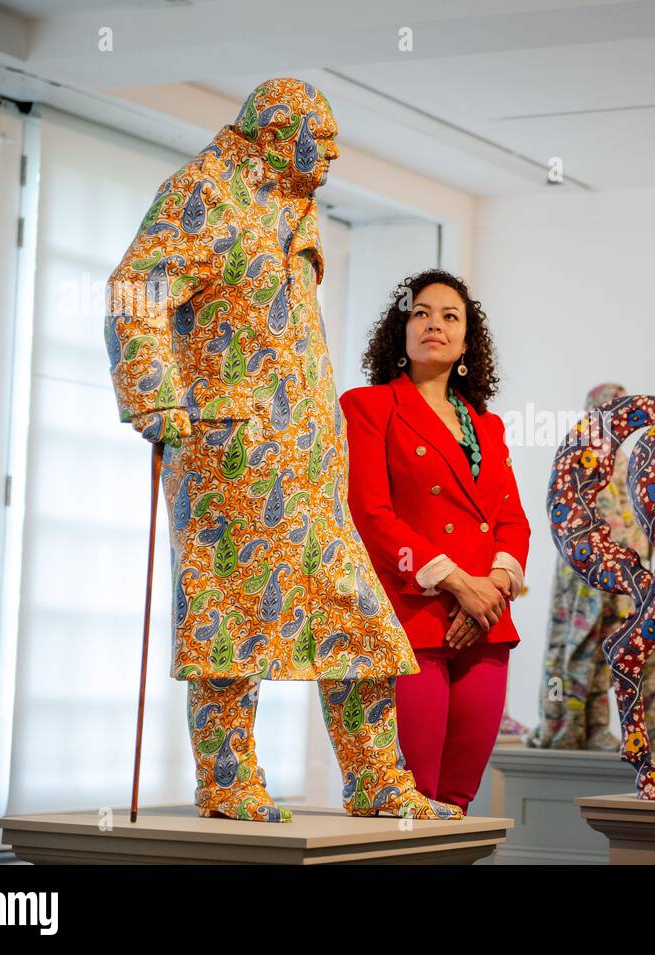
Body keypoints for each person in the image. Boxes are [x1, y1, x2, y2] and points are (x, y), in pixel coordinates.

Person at [105, 77, 460, 822]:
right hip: (229, 453)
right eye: (319, 136)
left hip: (306, 460)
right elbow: (135, 289)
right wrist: (155, 395)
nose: (331, 151)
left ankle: (375, 780)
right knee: (229, 623)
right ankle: (228, 781)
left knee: (360, 616)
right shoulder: (200, 194)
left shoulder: (296, 204)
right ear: (273, 132)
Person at [340, 270, 530, 814]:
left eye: (451, 317)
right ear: (401, 330)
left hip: (486, 628)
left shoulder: (487, 426)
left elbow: (512, 521)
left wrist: (488, 592)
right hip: (411, 620)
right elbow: (370, 515)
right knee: (414, 798)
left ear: (467, 342)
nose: (435, 325)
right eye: (421, 313)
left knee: (459, 800)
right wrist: (456, 584)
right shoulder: (368, 407)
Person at [527, 383, 655, 753]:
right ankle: (575, 727)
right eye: (606, 407)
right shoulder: (580, 453)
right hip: (588, 574)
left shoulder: (631, 457)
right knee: (583, 647)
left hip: (632, 574)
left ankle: (650, 730)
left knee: (639, 645)